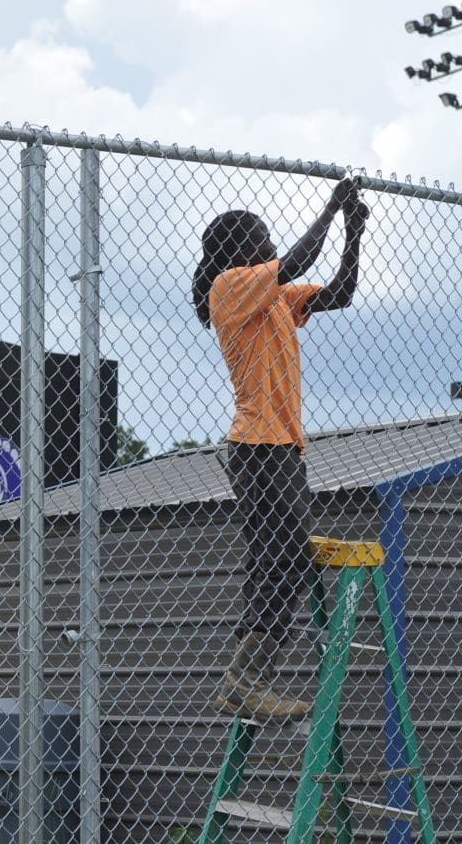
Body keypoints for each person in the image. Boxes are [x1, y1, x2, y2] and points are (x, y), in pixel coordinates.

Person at [192, 176, 369, 720]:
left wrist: (352, 232)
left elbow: (338, 293)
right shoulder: (229, 289)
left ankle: (248, 677)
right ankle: (246, 678)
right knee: (283, 554)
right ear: (239, 251)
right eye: (263, 238)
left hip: (283, 448)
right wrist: (330, 207)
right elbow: (292, 262)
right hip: (257, 446)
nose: (271, 245)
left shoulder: (273, 300)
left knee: (281, 556)